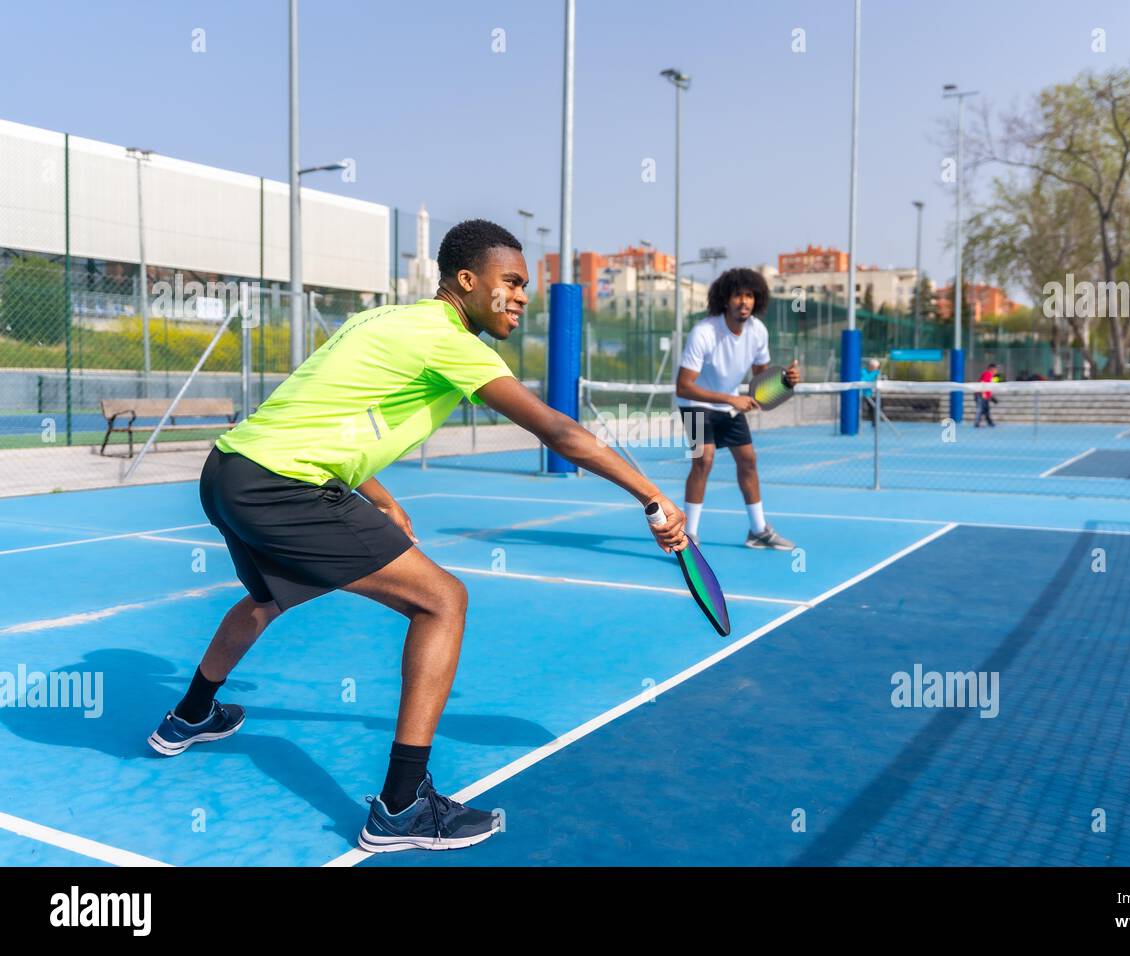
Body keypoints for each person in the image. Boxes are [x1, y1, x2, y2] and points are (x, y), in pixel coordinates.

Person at [147, 219, 687, 852]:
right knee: (443, 600)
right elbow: (559, 433)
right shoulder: (455, 343)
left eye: (526, 287)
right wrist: (651, 498)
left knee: (268, 598)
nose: (521, 297)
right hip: (282, 487)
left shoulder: (380, 321)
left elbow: (327, 411)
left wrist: (377, 494)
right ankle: (401, 808)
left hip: (229, 470)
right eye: (510, 282)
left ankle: (189, 715)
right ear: (467, 280)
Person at [675, 267, 799, 549]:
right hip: (694, 404)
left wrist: (785, 381)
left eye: (749, 296)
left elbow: (761, 380)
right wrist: (731, 399)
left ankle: (758, 531)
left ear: (757, 300)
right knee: (703, 460)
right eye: (737, 295)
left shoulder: (758, 331)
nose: (744, 301)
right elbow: (683, 386)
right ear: (725, 299)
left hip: (728, 405)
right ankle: (689, 535)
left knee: (748, 460)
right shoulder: (704, 332)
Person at [975, 362, 999, 427]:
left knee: (986, 409)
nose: (996, 371)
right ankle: (977, 423)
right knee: (980, 409)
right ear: (992, 369)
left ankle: (990, 423)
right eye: (995, 369)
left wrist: (991, 397)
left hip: (985, 396)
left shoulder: (991, 376)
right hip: (981, 395)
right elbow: (983, 383)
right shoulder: (987, 374)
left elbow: (988, 387)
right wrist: (983, 393)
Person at [861, 357, 882, 426]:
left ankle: (875, 423)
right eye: (873, 367)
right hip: (861, 394)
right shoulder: (862, 372)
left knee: (873, 408)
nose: (875, 369)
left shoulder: (877, 373)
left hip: (871, 395)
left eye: (876, 367)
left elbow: (878, 380)